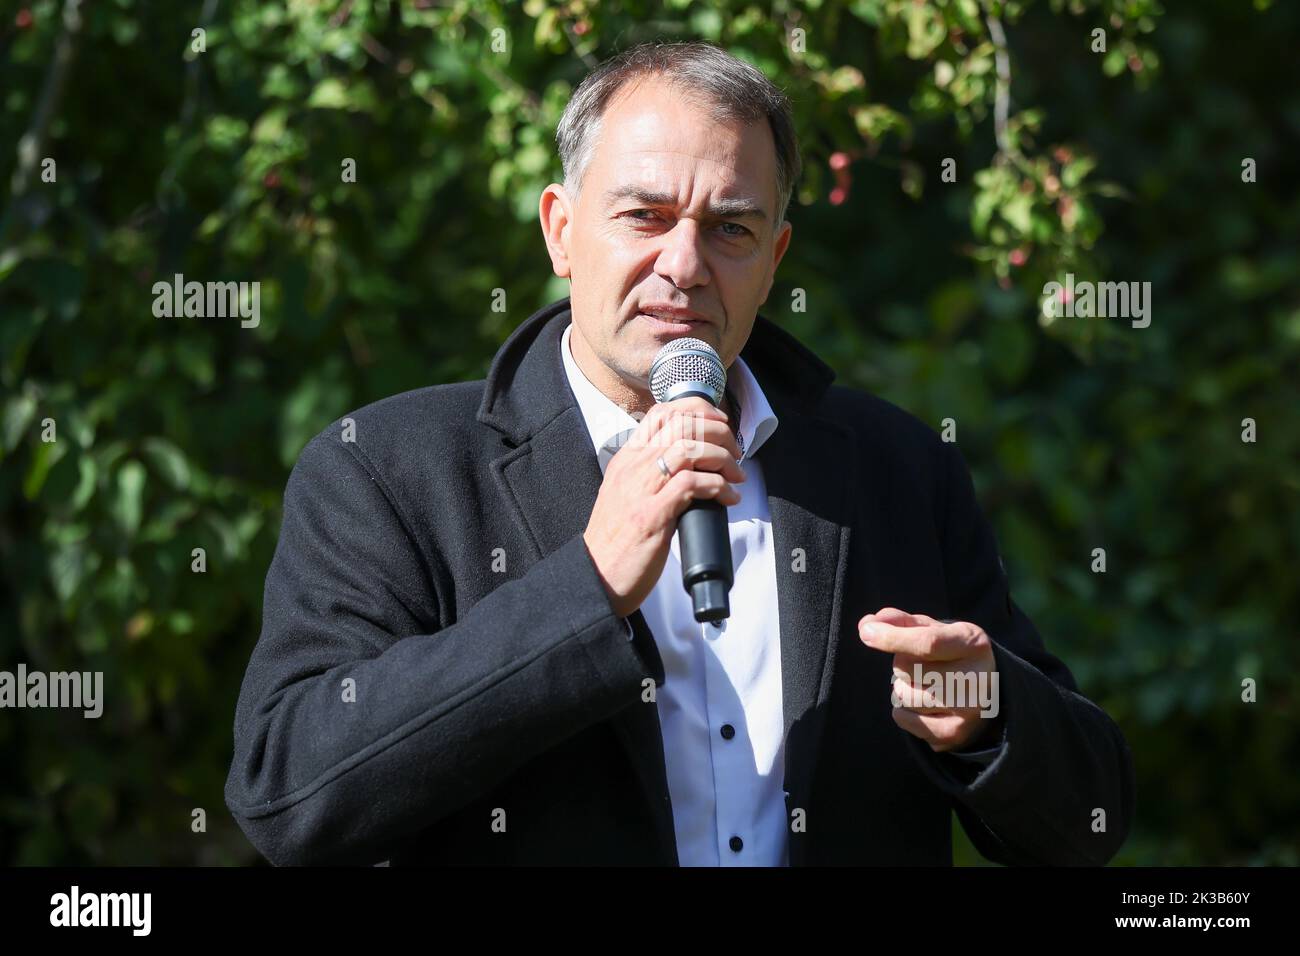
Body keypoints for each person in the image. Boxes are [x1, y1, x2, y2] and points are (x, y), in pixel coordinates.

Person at [224, 40, 1134, 866]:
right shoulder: (388, 468)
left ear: (774, 258)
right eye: (645, 216)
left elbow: (1088, 820)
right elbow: (290, 795)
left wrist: (985, 717)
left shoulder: (893, 468)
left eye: (730, 228)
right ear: (560, 230)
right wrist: (584, 589)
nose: (685, 263)